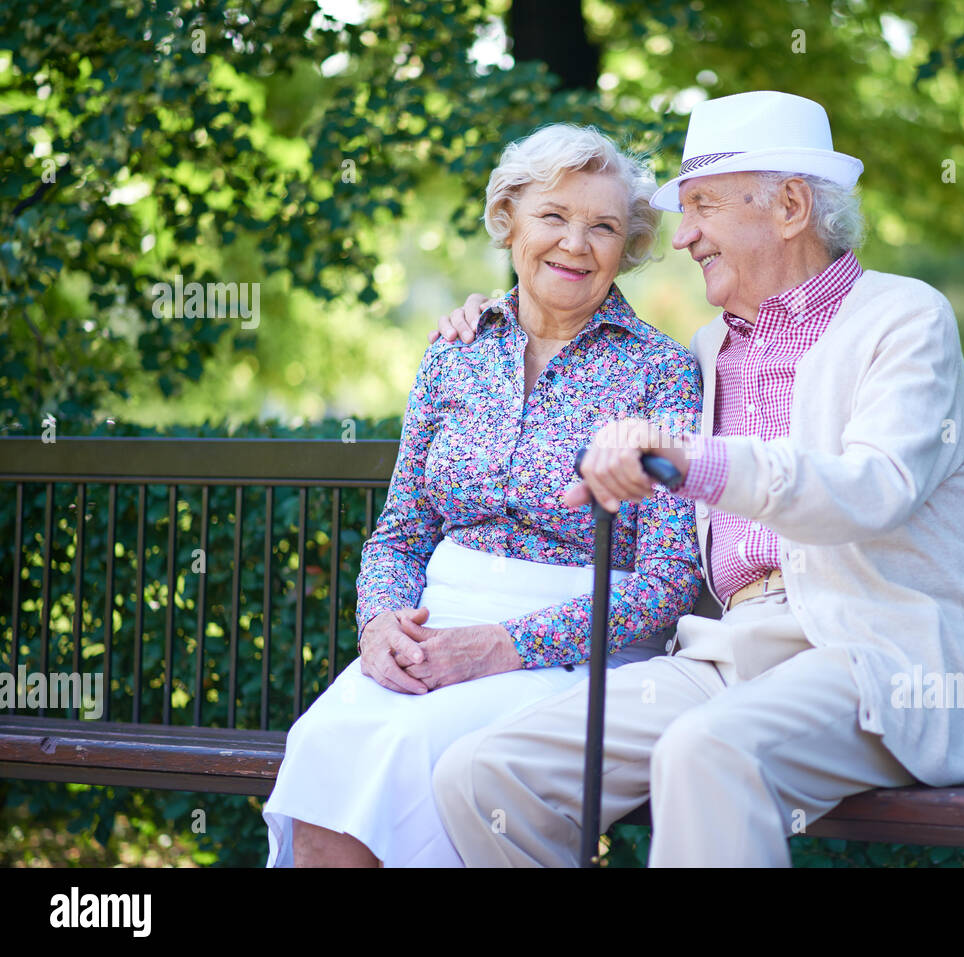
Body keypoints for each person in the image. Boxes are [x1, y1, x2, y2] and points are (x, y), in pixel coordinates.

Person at [428, 90, 964, 867]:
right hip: (728, 655)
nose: (684, 234)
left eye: (702, 206)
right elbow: (564, 322)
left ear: (791, 205)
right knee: (484, 772)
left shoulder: (905, 319)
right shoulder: (703, 350)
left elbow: (875, 486)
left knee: (706, 751)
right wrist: (491, 316)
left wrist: (687, 459)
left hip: (873, 658)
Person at [262, 123, 704, 867]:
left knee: (417, 749)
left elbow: (666, 584)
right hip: (433, 631)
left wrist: (502, 645)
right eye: (553, 216)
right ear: (509, 220)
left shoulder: (662, 371)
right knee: (325, 742)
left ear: (626, 247)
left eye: (603, 227)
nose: (575, 243)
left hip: (573, 651)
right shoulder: (454, 351)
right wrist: (379, 627)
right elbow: (401, 533)